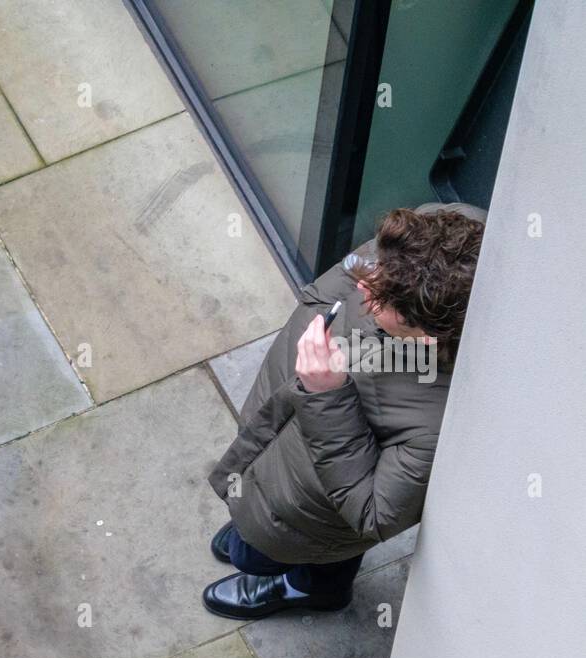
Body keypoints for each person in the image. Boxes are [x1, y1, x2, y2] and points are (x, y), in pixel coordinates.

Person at [204, 204, 485, 618]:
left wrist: (326, 395)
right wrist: (319, 303)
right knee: (252, 513)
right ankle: (258, 528)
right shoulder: (441, 236)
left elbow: (373, 514)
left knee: (263, 551)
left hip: (307, 513)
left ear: (424, 336)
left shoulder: (437, 422)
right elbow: (356, 266)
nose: (364, 284)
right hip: (276, 444)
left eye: (380, 297)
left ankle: (309, 588)